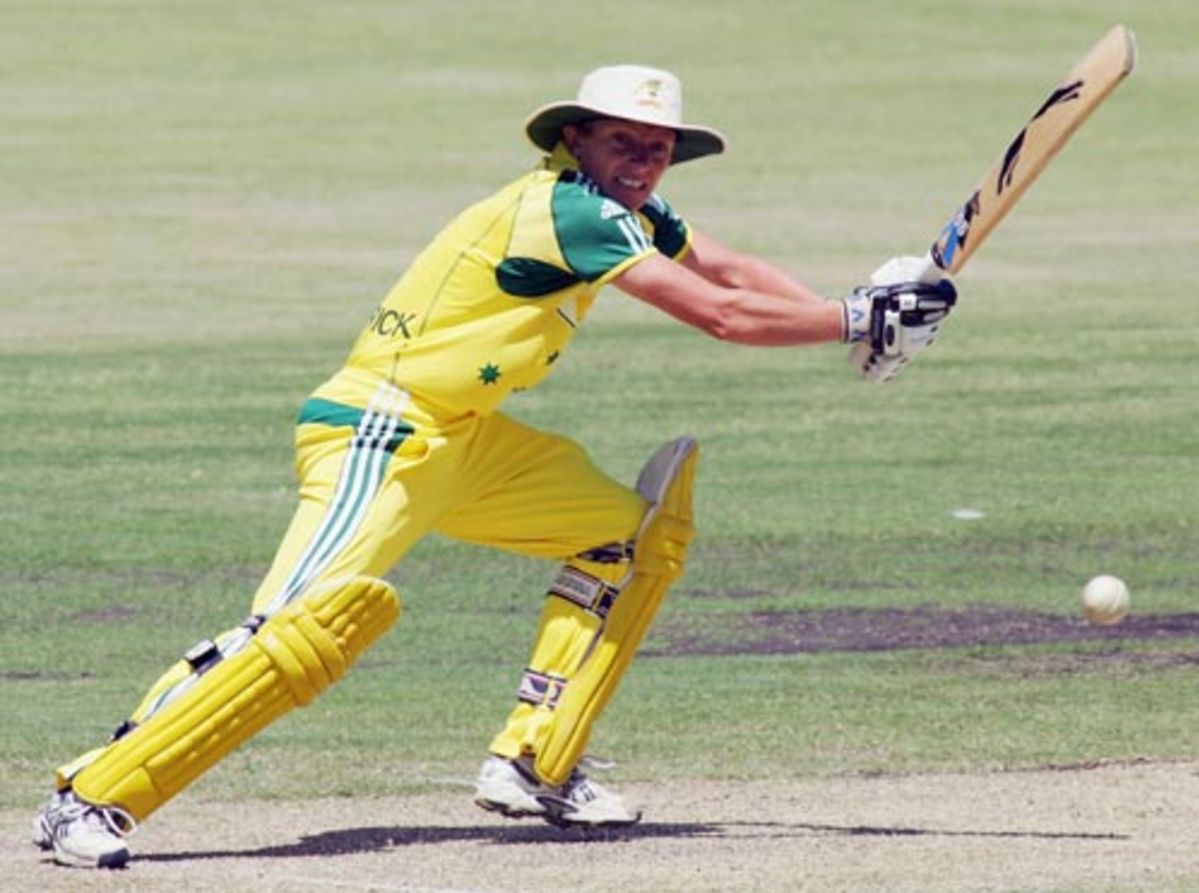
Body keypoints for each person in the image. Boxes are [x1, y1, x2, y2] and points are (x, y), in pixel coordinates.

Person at [32, 64, 956, 868]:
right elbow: (716, 315)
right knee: (298, 630)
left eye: (659, 147)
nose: (642, 160)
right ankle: (92, 791)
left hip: (467, 436)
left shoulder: (628, 207)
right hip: (381, 431)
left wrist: (866, 309)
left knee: (627, 537)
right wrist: (855, 319)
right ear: (576, 140)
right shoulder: (569, 211)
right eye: (624, 142)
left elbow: (734, 271)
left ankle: (536, 763)